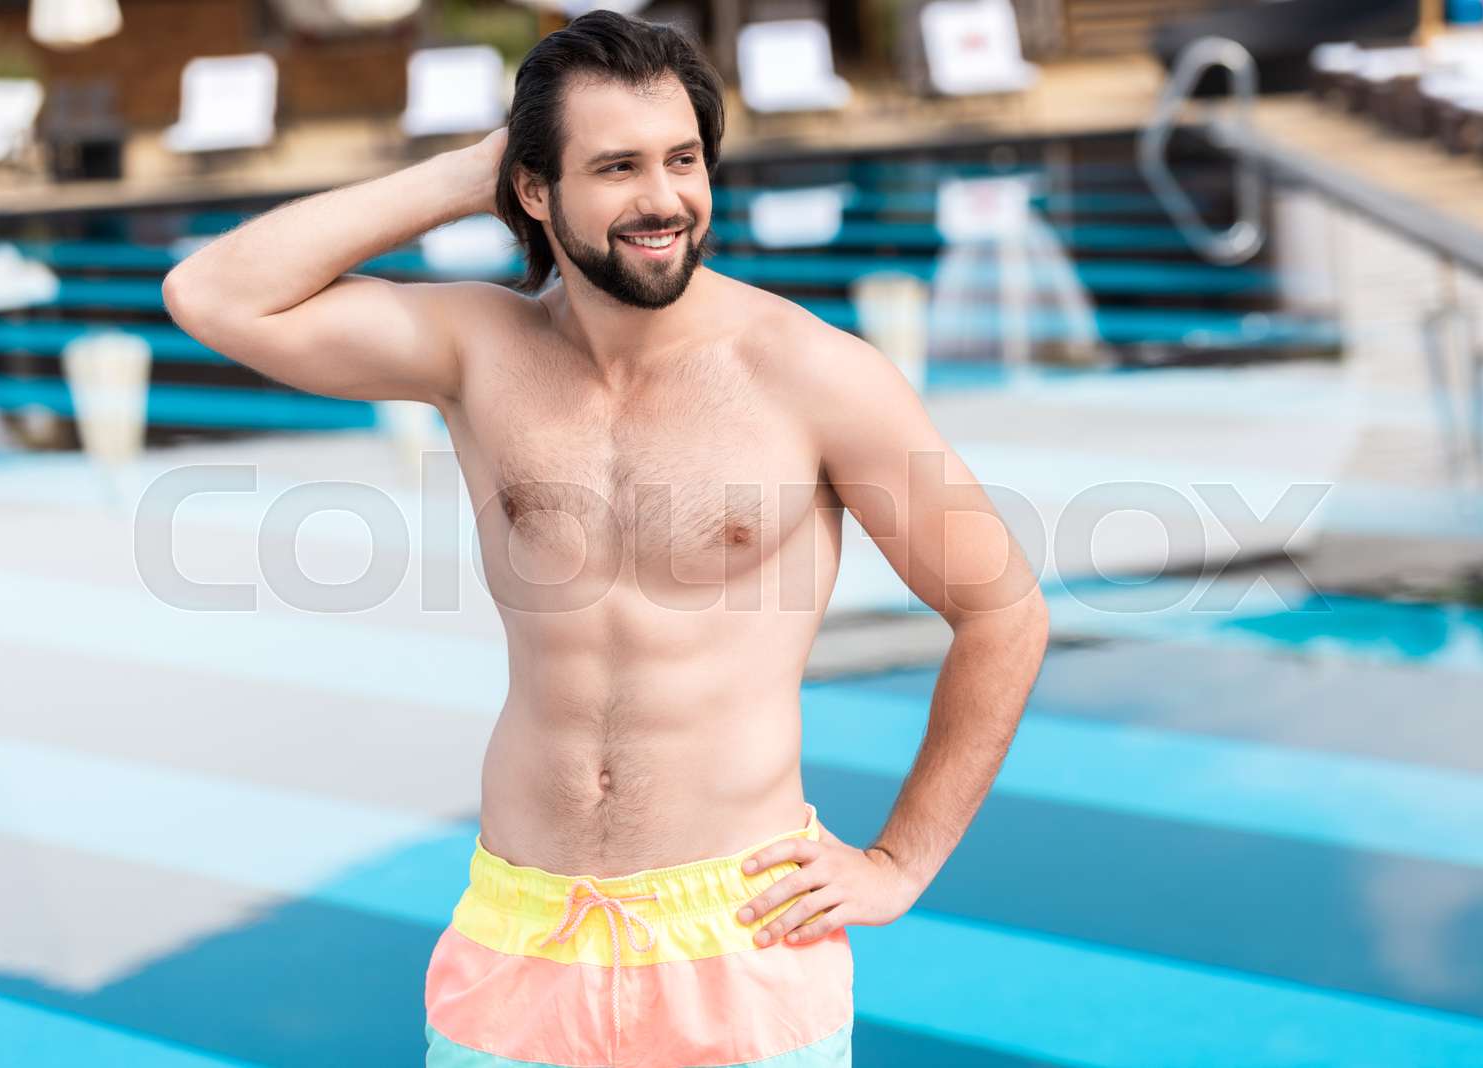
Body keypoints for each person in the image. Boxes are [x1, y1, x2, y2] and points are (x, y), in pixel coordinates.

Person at [162, 11, 1048, 1066]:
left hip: (740, 936)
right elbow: (210, 295)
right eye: (618, 166)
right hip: (520, 934)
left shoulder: (812, 373)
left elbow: (999, 609)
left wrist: (901, 862)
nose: (664, 198)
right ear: (535, 191)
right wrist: (463, 173)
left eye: (682, 160)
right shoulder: (476, 350)